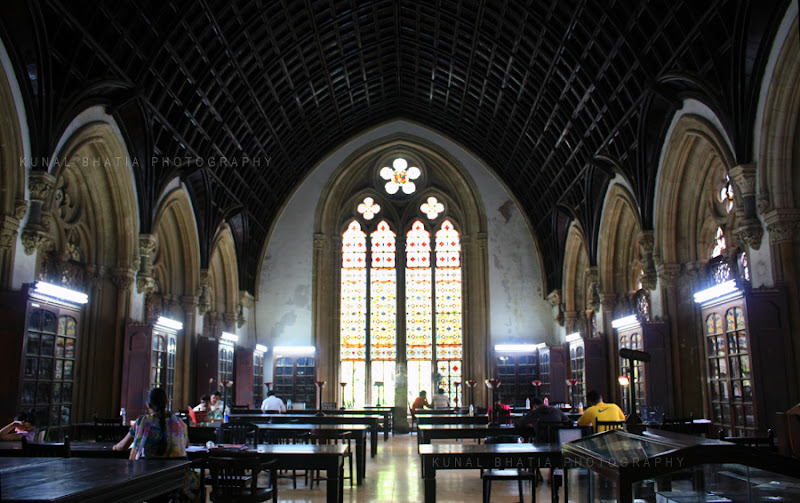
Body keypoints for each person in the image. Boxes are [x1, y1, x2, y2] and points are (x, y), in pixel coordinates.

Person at [114, 388, 199, 502]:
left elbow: (122, 447)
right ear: (166, 403)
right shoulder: (179, 423)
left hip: (150, 483)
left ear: (148, 404)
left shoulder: (143, 422)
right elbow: (186, 444)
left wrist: (114, 447)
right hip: (177, 482)